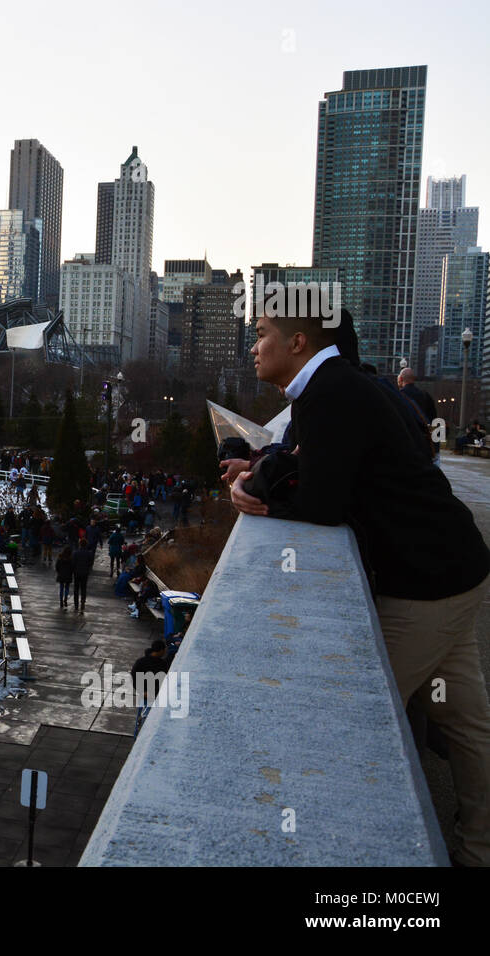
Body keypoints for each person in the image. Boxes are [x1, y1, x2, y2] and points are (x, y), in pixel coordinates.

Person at [230, 305, 490, 866]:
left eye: (261, 335)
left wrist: (251, 493)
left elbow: (322, 504)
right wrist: (265, 469)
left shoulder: (328, 394)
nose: (253, 347)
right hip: (456, 567)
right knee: (466, 721)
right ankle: (478, 849)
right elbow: (318, 466)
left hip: (426, 584)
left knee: (350, 717)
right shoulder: (336, 385)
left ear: (297, 341)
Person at [71, 539, 94, 614]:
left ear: (79, 544)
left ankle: (76, 604)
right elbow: (90, 563)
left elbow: (73, 563)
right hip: (85, 573)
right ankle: (83, 602)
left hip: (77, 573)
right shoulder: (89, 553)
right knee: (83, 588)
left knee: (76, 588)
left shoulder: (75, 553)